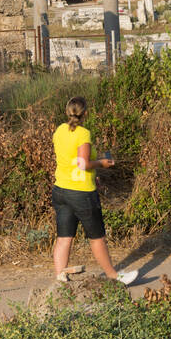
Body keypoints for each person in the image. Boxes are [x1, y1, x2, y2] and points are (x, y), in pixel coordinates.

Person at [51, 96, 136, 285]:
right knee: (97, 237)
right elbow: (83, 164)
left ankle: (60, 280)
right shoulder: (83, 134)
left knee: (64, 237)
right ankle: (114, 275)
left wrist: (92, 174)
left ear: (67, 111)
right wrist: (102, 163)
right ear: (86, 113)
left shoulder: (59, 130)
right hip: (81, 193)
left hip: (61, 190)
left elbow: (70, 160)